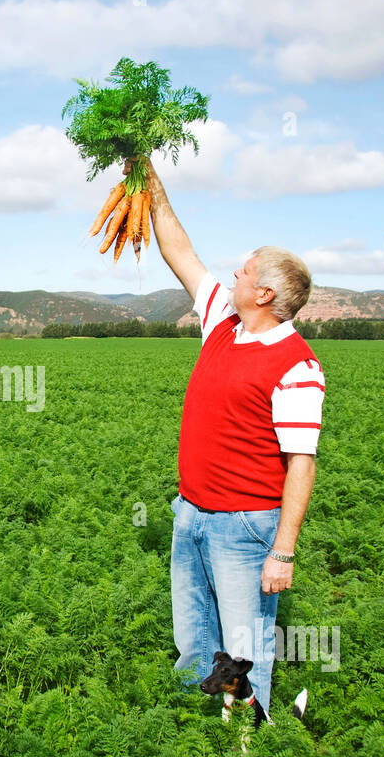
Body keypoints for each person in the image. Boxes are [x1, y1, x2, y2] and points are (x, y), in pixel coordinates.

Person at [130, 156, 325, 719]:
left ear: (264, 293)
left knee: (243, 649)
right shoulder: (222, 322)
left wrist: (282, 553)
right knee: (195, 644)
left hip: (246, 525)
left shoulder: (297, 366)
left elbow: (301, 465)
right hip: (191, 512)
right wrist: (143, 173)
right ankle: (199, 735)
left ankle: (250, 752)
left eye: (243, 272)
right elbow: (179, 251)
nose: (232, 276)